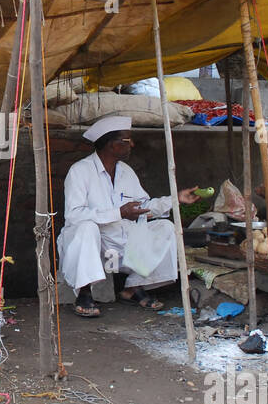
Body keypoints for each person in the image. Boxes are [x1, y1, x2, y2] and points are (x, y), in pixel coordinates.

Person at [57, 115, 201, 317]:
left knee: (165, 228)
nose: (131, 144)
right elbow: (74, 215)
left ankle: (133, 287)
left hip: (119, 244)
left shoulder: (126, 171)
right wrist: (119, 213)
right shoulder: (80, 171)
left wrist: (175, 199)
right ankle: (84, 292)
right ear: (110, 144)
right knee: (87, 227)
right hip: (94, 243)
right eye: (126, 140)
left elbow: (143, 206)